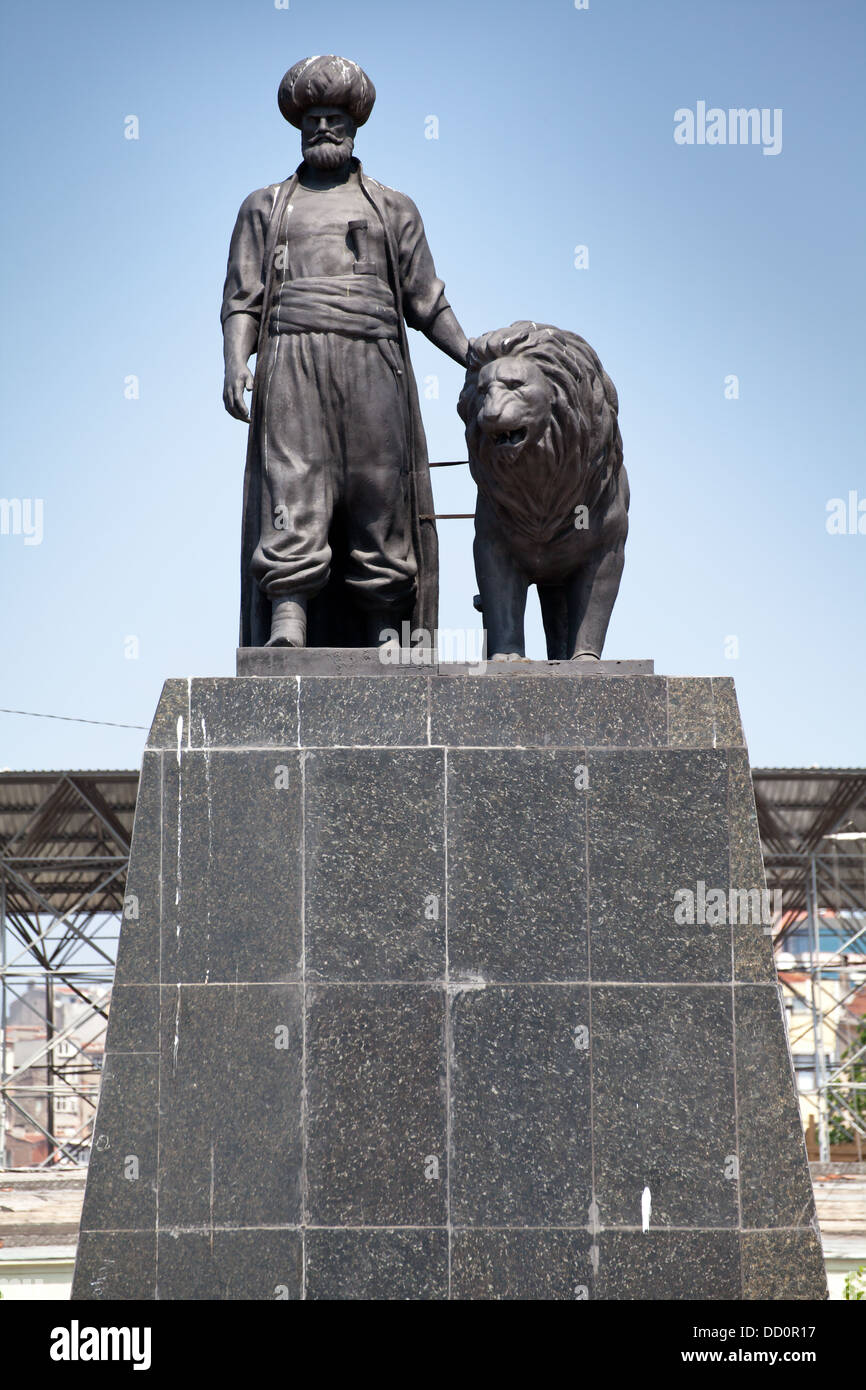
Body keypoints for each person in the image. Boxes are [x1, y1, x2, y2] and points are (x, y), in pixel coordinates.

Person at [222, 55, 469, 647]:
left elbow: (426, 300)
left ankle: (386, 621)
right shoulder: (265, 206)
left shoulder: (393, 206)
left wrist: (472, 354)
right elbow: (243, 297)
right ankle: (289, 616)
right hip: (291, 358)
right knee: (292, 483)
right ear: (298, 127)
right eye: (313, 119)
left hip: (372, 357)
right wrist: (236, 361)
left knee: (379, 489)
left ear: (355, 125)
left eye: (334, 117)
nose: (323, 129)